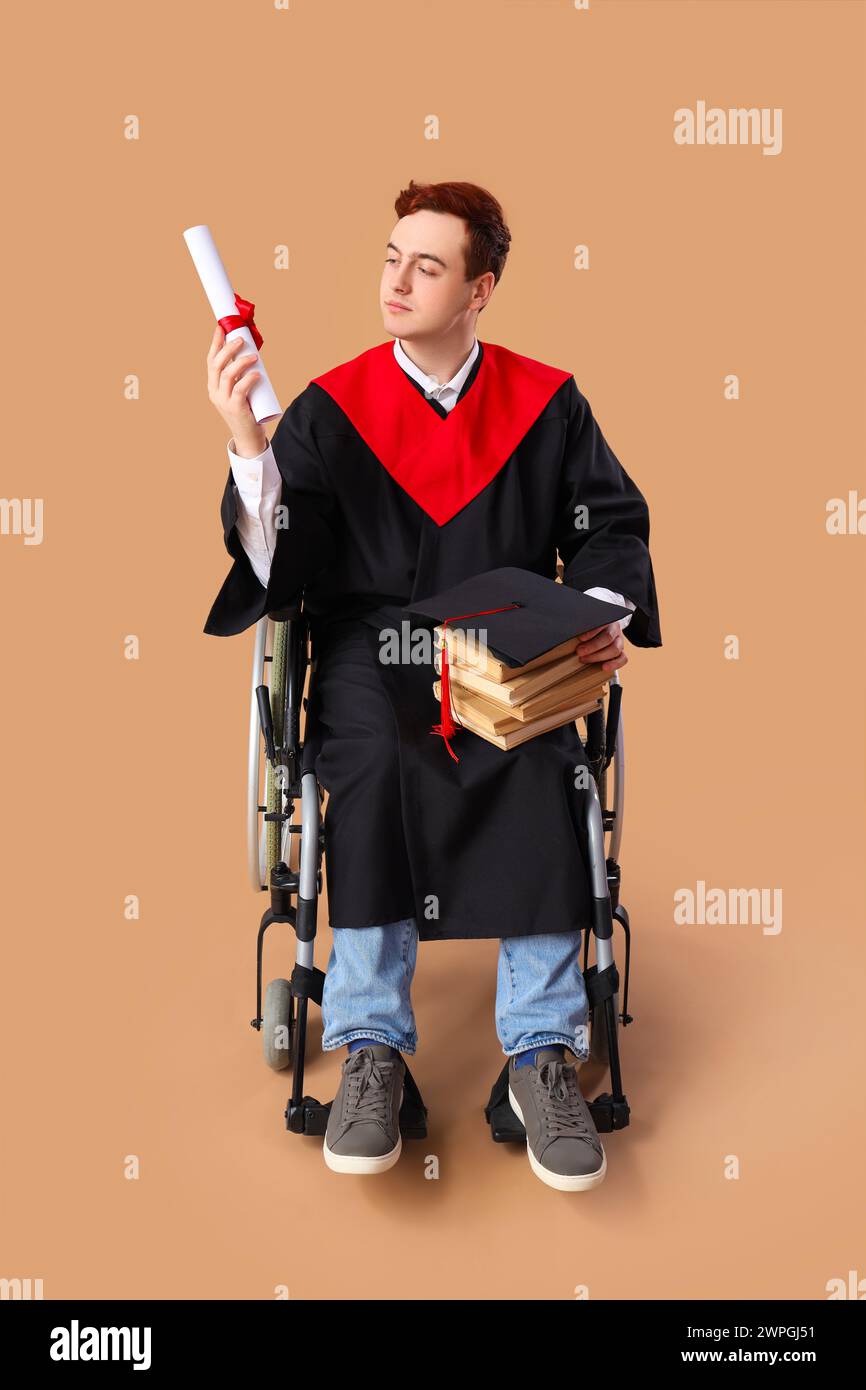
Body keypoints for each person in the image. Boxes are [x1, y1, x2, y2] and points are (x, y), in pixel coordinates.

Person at [204, 180, 662, 1191]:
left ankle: (538, 1052)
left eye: (427, 264)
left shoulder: (545, 402)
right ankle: (371, 1047)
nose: (397, 281)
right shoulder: (334, 405)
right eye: (389, 257)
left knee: (539, 749)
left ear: (479, 288)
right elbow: (288, 562)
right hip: (374, 645)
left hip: (501, 637)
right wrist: (247, 442)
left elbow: (606, 524)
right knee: (368, 752)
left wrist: (596, 611)